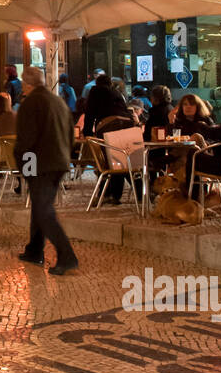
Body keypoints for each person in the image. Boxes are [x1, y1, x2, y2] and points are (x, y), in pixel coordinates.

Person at [15, 65, 77, 275]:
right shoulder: (57, 100)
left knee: (43, 210)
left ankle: (67, 255)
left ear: (26, 84)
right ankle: (34, 249)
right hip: (59, 161)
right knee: (39, 205)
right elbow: (71, 134)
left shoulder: (30, 103)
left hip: (41, 163)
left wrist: (26, 167)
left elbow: (27, 140)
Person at [82, 73, 138, 204]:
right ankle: (139, 191)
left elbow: (90, 113)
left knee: (109, 161)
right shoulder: (117, 93)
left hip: (108, 126)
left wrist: (88, 133)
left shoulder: (95, 91)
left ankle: (108, 194)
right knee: (125, 160)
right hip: (126, 125)